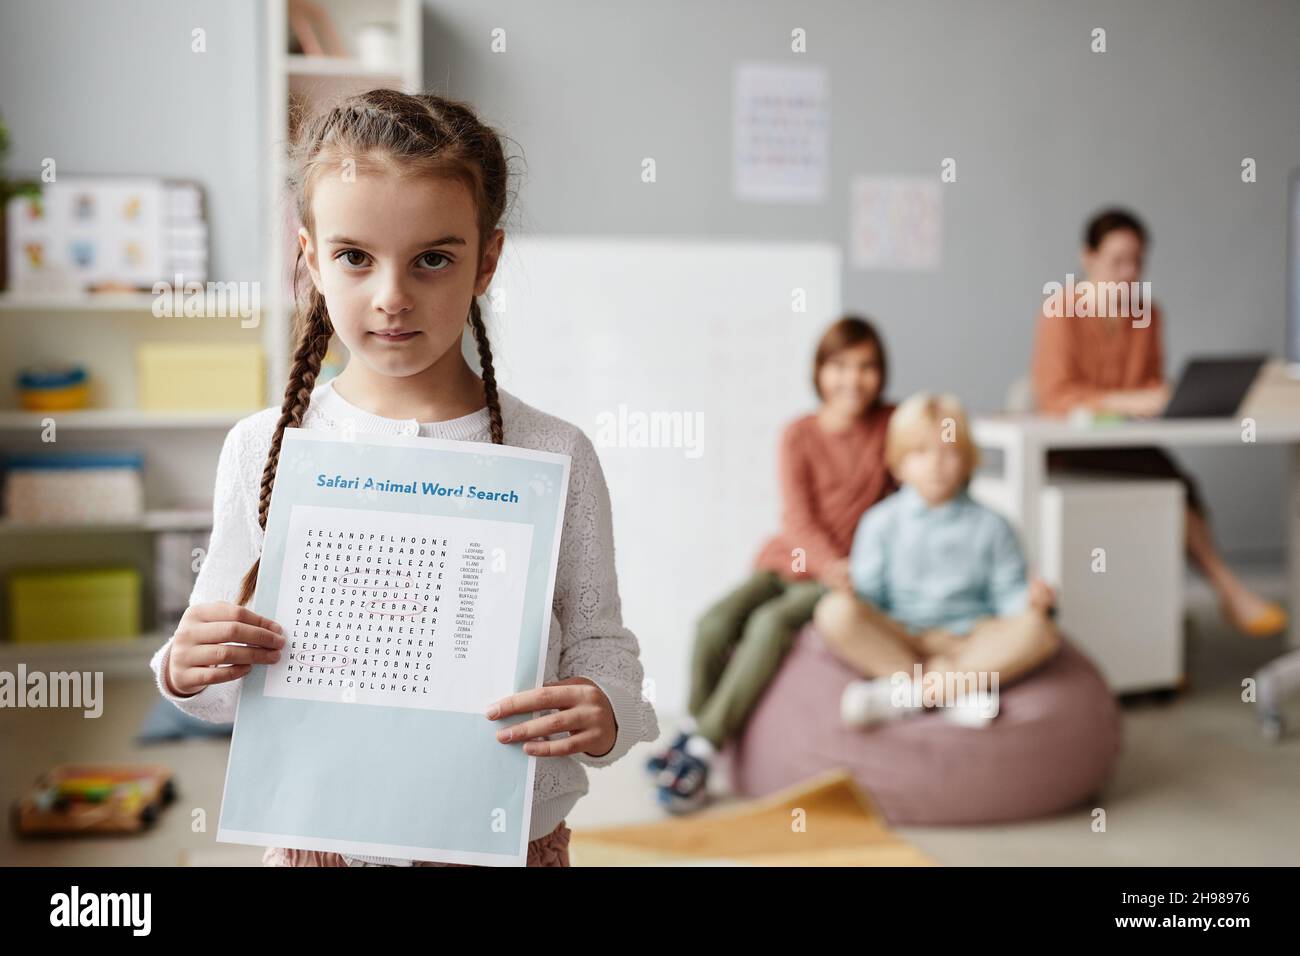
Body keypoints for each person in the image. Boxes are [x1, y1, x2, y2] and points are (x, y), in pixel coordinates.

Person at [147, 89, 658, 867]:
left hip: (508, 843)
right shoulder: (264, 449)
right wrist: (186, 670)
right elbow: (223, 684)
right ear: (311, 257)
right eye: (355, 256)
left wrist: (606, 710)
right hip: (319, 845)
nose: (391, 296)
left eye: (432, 259)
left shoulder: (555, 452)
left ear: (486, 261)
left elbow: (600, 642)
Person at [650, 316, 896, 811]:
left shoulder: (890, 428)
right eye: (840, 366)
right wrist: (828, 564)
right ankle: (698, 732)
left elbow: (927, 450)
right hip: (794, 559)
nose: (853, 379)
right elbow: (799, 521)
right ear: (819, 371)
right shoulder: (798, 434)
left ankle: (699, 752)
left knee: (770, 624)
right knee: (713, 623)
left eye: (867, 367)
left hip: (842, 578)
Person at [1032, 207, 1287, 638]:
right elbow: (1056, 396)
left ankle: (1176, 618)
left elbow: (1150, 385)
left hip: (1128, 444)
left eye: (1137, 261)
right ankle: (1227, 589)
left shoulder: (1148, 313)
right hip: (1071, 448)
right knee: (1172, 485)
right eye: (1118, 260)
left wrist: (1162, 396)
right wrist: (1130, 399)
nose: (1129, 272)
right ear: (1088, 257)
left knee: (1178, 485)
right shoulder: (1060, 311)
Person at [814, 392, 1061, 728]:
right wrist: (848, 588)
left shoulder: (993, 526)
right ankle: (951, 692)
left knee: (1039, 630)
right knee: (833, 611)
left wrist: (1031, 600)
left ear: (966, 460)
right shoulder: (880, 522)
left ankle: (912, 695)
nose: (935, 464)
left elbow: (1008, 598)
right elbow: (870, 597)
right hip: (903, 637)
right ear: (899, 463)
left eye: (949, 452)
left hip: (970, 639)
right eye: (920, 452)